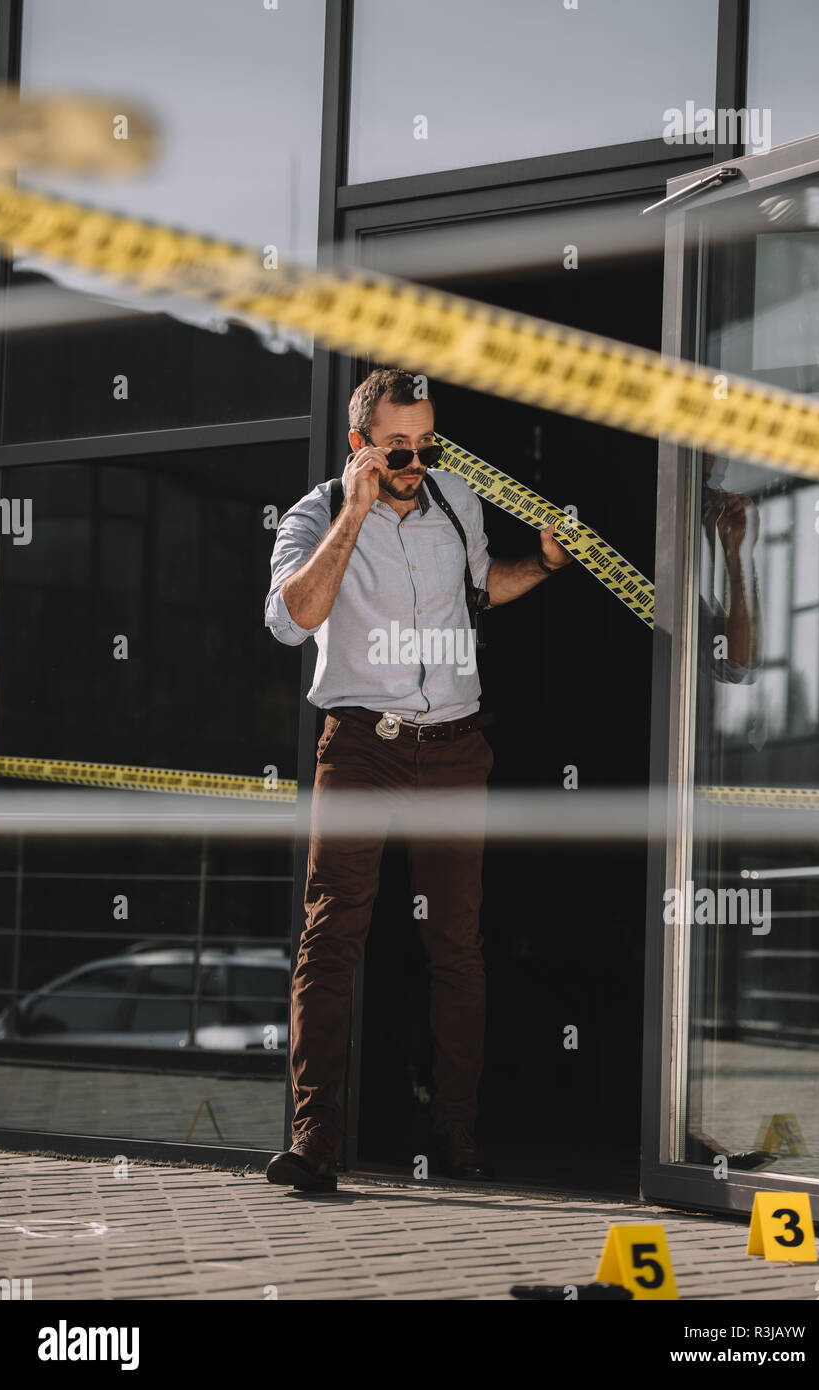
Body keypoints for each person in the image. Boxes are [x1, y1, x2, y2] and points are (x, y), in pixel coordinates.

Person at [263, 368, 572, 1189]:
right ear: (361, 443)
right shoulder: (317, 513)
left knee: (456, 948)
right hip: (362, 744)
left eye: (426, 442)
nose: (415, 458)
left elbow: (484, 590)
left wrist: (539, 566)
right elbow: (293, 620)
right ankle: (314, 1142)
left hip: (454, 746)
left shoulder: (453, 502)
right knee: (331, 937)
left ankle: (458, 1139)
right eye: (398, 446)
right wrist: (357, 512)